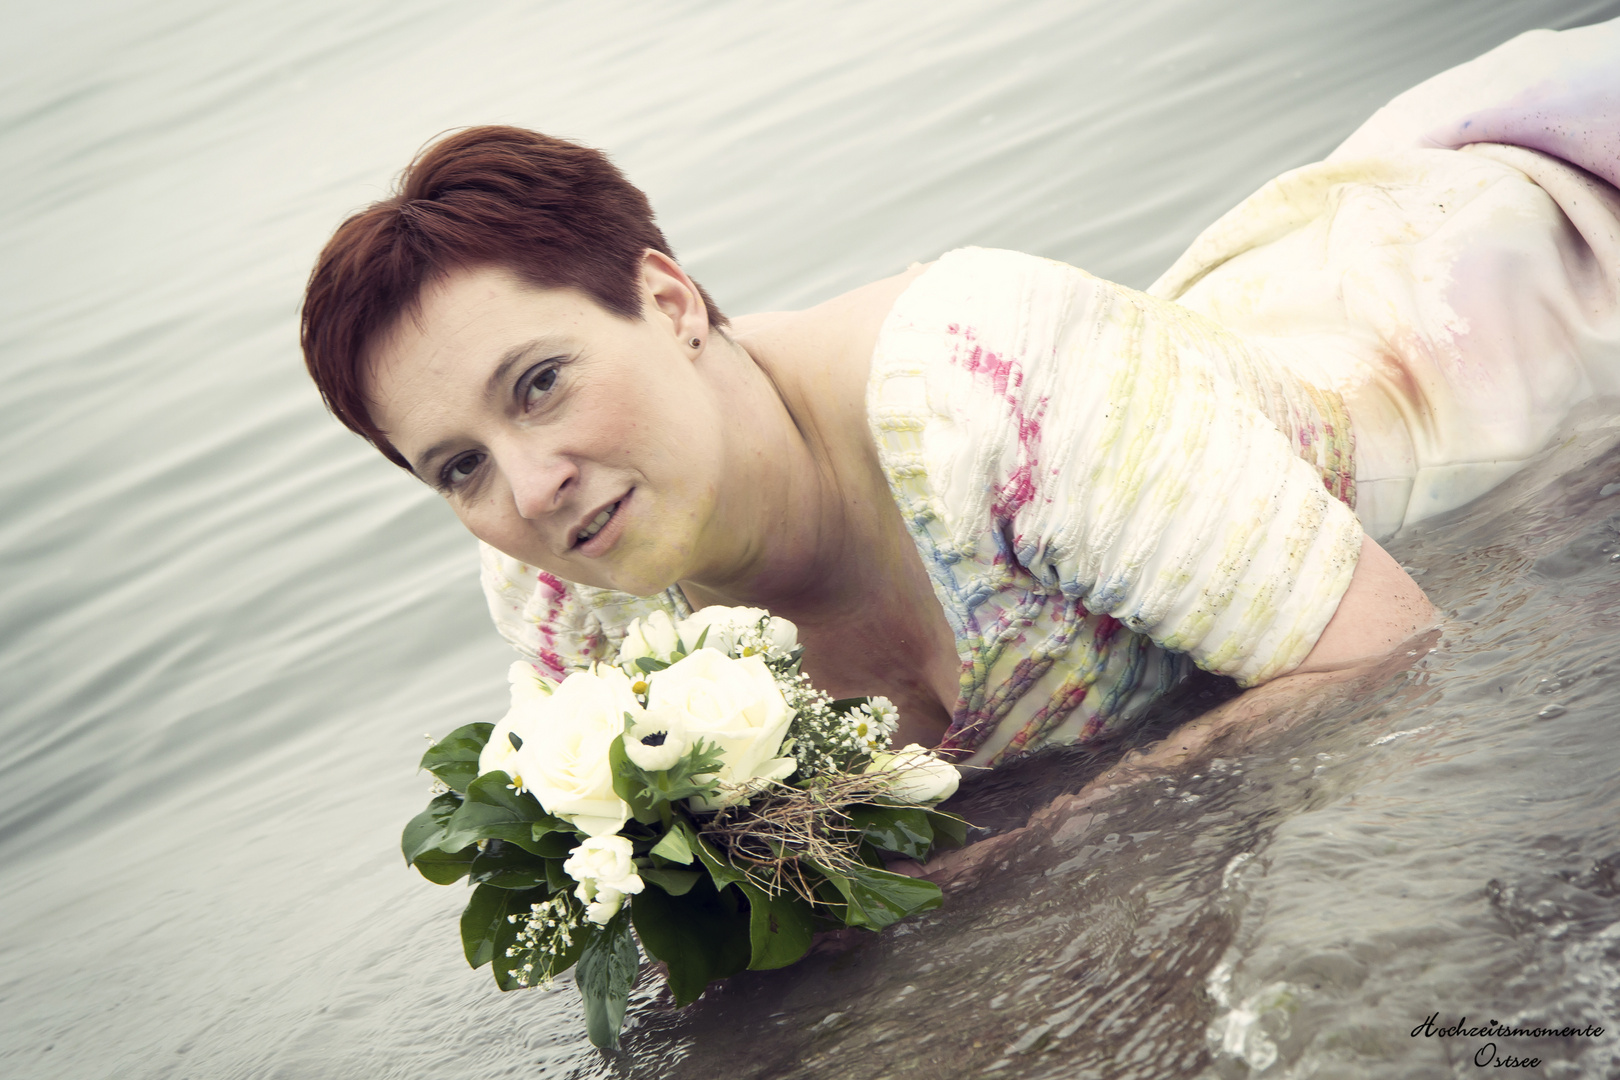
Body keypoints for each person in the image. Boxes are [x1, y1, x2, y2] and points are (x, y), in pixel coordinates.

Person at [301, 19, 1618, 767]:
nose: (528, 489)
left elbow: (1386, 650)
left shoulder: (986, 389)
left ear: (667, 299)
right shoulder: (562, 592)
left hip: (1476, 358)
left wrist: (1060, 842)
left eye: (539, 384)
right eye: (456, 467)